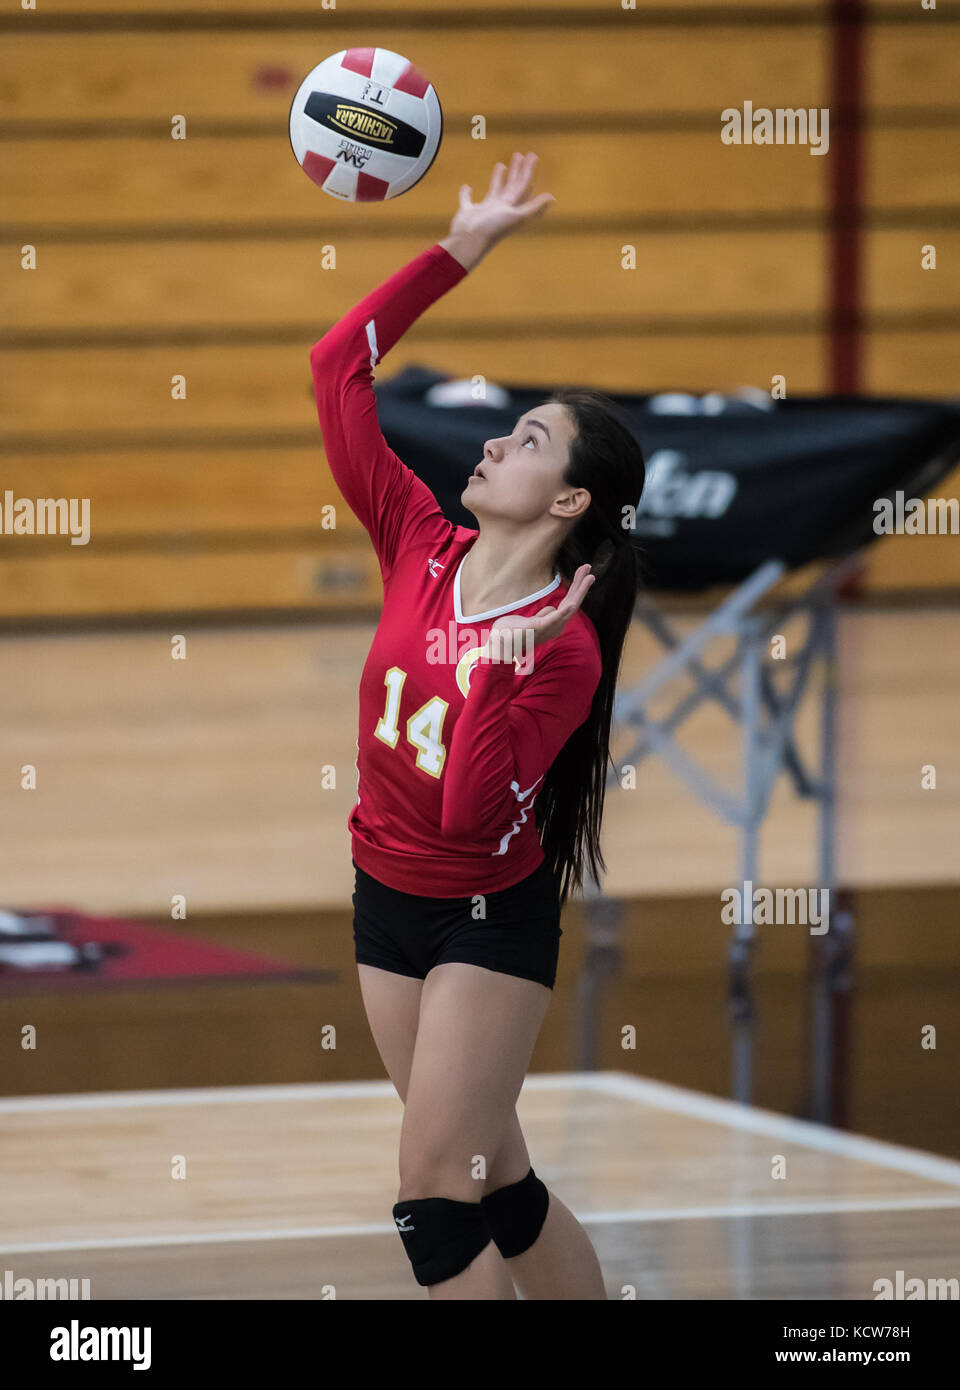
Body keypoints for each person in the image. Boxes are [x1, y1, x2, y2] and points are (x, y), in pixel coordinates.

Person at [309, 152, 645, 1299]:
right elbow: (332, 367)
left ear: (568, 504)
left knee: (432, 1198)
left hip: (484, 913)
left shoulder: (566, 647)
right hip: (381, 892)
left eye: (529, 441)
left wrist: (501, 673)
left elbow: (467, 814)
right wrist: (457, 251)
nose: (493, 442)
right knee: (494, 1175)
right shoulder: (417, 538)